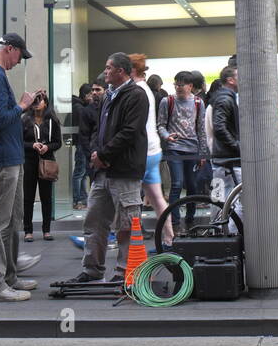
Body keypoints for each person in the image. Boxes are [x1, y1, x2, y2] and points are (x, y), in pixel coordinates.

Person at [64, 52, 149, 285]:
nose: (105, 71)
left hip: (124, 171)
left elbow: (130, 132)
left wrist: (103, 154)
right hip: (102, 171)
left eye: (109, 68)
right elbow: (95, 130)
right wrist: (95, 153)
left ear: (121, 71)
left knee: (126, 224)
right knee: (93, 221)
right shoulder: (107, 96)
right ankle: (92, 269)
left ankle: (125, 273)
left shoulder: (137, 95)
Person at [0, 34, 40, 301]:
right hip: (1, 159)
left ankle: (8, 278)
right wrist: (23, 105)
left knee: (11, 222)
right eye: (19, 56)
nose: (19, 62)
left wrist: (21, 107)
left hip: (7, 157)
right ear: (9, 49)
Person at [129, 54, 173, 249]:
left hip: (142, 153)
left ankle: (126, 238)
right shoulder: (145, 89)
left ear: (131, 70)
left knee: (126, 197)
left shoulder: (135, 90)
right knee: (156, 198)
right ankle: (169, 239)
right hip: (153, 150)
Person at [160, 71, 206, 229]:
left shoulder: (199, 103)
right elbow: (160, 124)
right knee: (177, 184)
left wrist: (202, 152)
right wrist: (167, 136)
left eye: (181, 84)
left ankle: (190, 218)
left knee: (192, 185)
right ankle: (174, 220)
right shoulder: (168, 101)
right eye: (176, 84)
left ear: (190, 86)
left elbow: (201, 129)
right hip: (174, 148)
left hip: (192, 149)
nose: (178, 87)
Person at [21, 90, 59, 242]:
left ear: (46, 103)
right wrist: (32, 145)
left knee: (46, 197)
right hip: (29, 161)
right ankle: (28, 231)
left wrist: (47, 147)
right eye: (34, 100)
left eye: (40, 100)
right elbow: (19, 142)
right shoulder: (24, 120)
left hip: (47, 161)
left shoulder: (52, 120)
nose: (37, 103)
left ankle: (46, 230)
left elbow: (58, 142)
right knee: (28, 197)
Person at [209, 65, 241, 205]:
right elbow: (220, 127)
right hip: (227, 158)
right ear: (230, 80)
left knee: (219, 198)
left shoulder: (223, 97)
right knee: (229, 198)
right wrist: (236, 145)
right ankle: (227, 227)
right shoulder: (225, 99)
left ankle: (218, 225)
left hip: (222, 159)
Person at [74, 80, 103, 209]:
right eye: (93, 90)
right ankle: (80, 200)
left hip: (106, 153)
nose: (94, 93)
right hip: (92, 153)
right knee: (85, 176)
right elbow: (84, 135)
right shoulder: (86, 110)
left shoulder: (108, 107)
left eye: (98, 90)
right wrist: (90, 155)